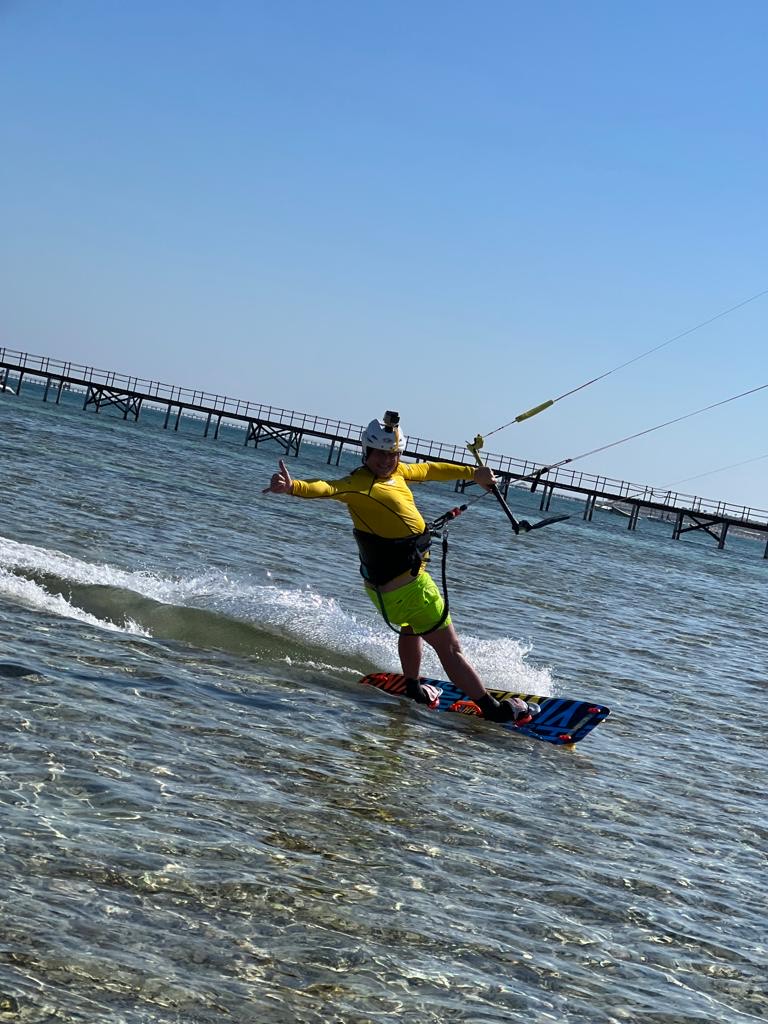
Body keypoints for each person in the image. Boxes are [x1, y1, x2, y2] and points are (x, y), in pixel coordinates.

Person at [263, 411, 534, 722]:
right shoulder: (360, 485)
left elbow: (431, 469)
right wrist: (294, 486)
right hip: (411, 589)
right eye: (377, 453)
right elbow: (328, 487)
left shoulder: (399, 473)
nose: (384, 460)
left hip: (385, 593)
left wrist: (473, 473)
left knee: (410, 629)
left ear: (398, 453)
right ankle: (493, 710)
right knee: (450, 650)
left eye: (391, 454)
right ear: (365, 451)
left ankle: (413, 687)